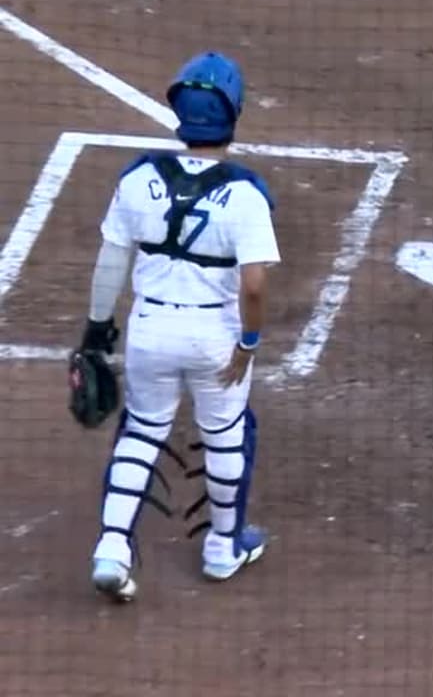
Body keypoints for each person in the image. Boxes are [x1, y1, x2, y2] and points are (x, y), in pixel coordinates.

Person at [83, 51, 281, 602]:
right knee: (226, 433)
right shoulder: (245, 194)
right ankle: (222, 547)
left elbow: (110, 265)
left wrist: (96, 333)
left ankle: (112, 548)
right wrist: (249, 342)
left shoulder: (138, 178)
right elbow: (256, 286)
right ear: (233, 113)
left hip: (149, 329)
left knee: (142, 432)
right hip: (213, 335)